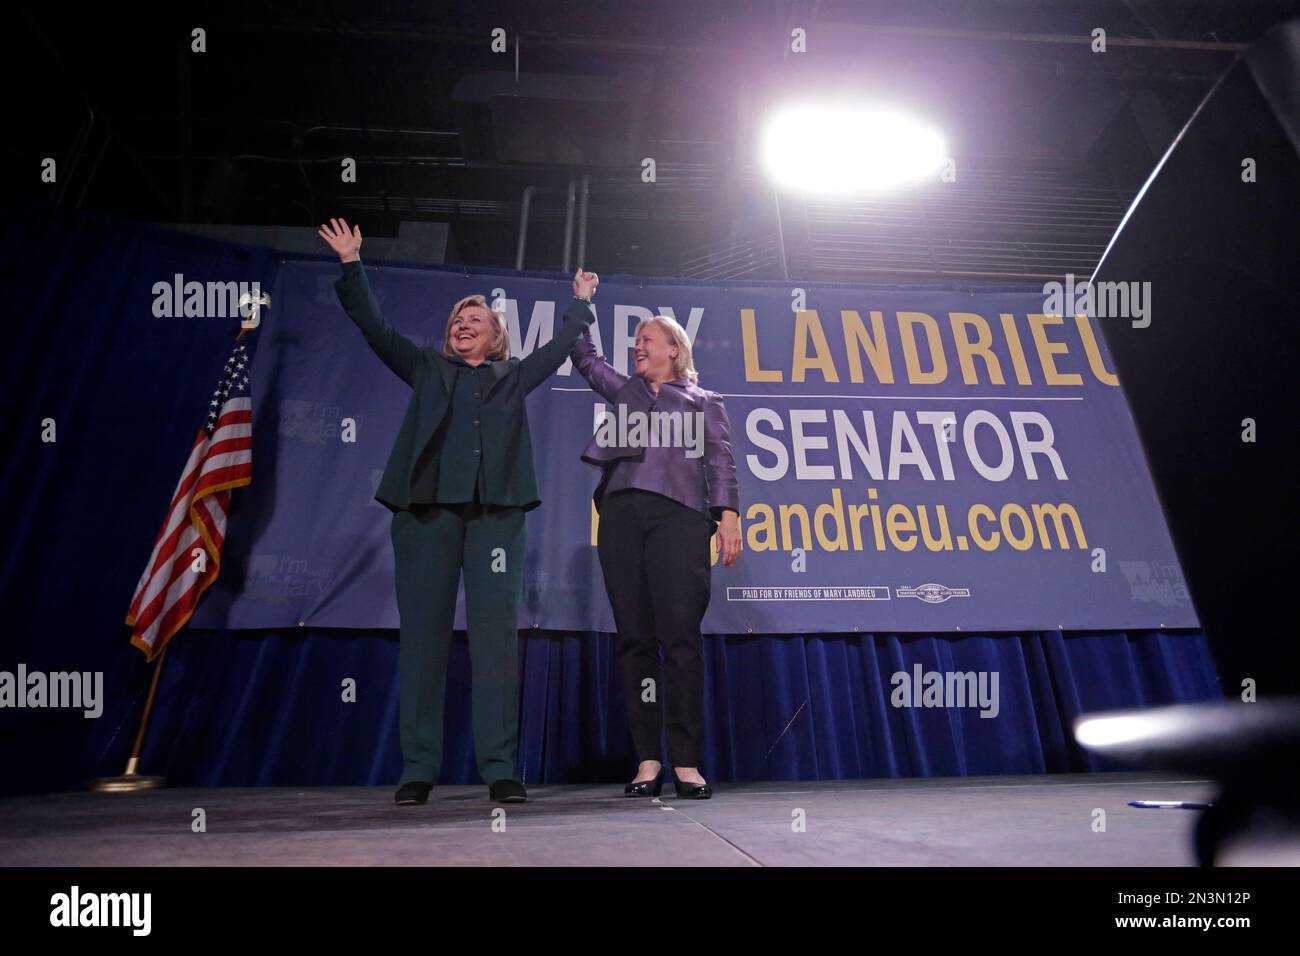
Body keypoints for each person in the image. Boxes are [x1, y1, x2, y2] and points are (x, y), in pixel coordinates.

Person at [319, 217, 599, 805]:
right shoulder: (425, 368)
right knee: (423, 639)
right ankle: (418, 768)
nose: (462, 325)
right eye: (456, 321)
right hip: (424, 517)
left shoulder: (511, 376)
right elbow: (373, 326)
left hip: (496, 520)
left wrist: (580, 303)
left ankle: (500, 768)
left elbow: (559, 347)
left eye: (475, 320)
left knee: (496, 642)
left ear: (496, 337)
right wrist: (352, 264)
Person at [570, 310, 741, 799]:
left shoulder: (704, 401)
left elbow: (720, 460)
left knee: (680, 639)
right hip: (622, 516)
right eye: (636, 341)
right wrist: (581, 304)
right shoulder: (625, 391)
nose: (638, 347)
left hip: (681, 518)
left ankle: (686, 762)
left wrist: (727, 516)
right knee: (636, 639)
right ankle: (648, 760)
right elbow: (583, 355)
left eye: (647, 339)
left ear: (674, 348)